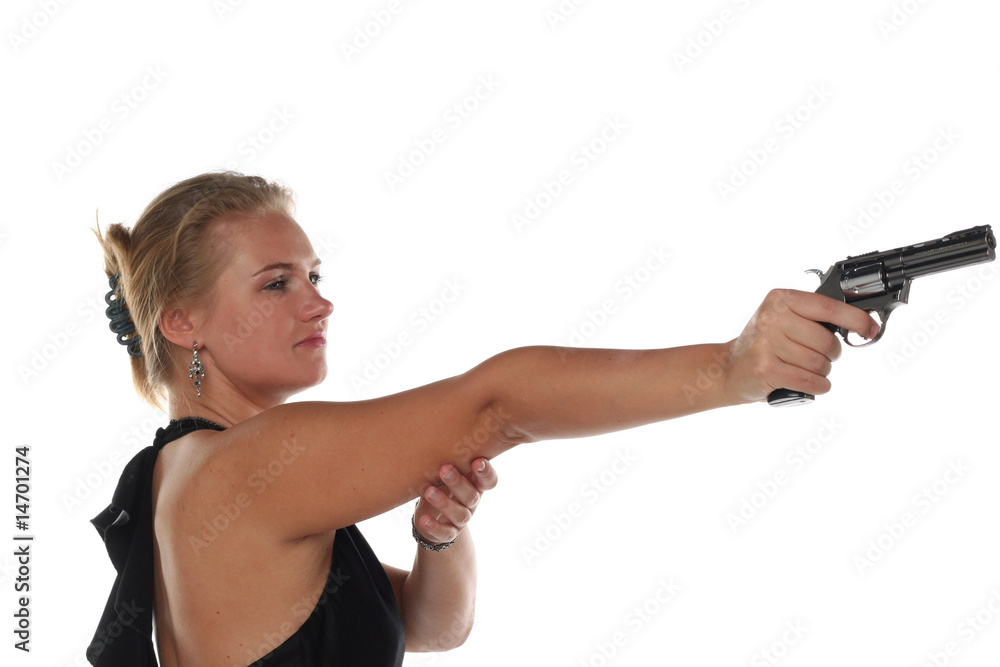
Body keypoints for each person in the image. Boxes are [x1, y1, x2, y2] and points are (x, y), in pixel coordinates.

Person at [88, 171, 879, 667]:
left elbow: (436, 628)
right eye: (276, 284)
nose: (319, 301)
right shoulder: (248, 466)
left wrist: (440, 533)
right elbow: (501, 403)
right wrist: (733, 367)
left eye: (316, 275)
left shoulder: (192, 474)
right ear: (182, 321)